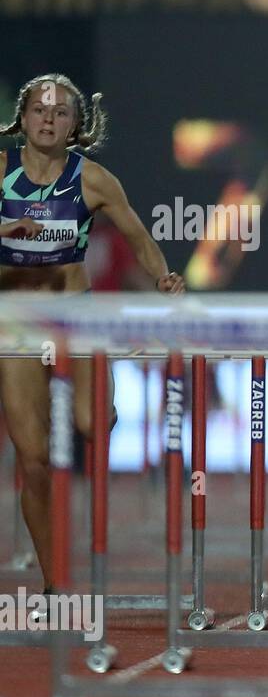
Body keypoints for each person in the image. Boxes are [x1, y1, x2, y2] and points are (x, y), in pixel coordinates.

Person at [0, 73, 185, 595]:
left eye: (60, 113)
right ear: (24, 117)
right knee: (33, 462)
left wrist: (163, 277)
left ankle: (103, 401)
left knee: (93, 422)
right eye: (40, 110)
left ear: (75, 125)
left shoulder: (93, 179)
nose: (48, 120)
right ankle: (56, 583)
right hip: (14, 320)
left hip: (74, 317)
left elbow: (138, 235)